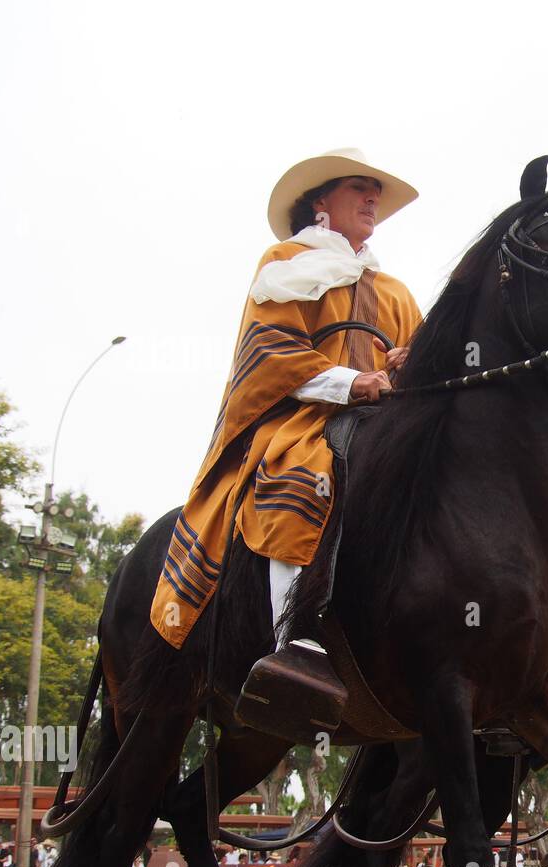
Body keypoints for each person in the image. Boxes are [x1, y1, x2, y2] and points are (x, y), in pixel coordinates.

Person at [149, 148, 424, 664]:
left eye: (376, 193)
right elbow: (269, 350)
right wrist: (353, 383)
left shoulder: (396, 291)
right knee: (304, 474)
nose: (372, 199)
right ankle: (293, 644)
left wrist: (412, 362)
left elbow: (418, 364)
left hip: (383, 424)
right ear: (321, 200)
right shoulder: (285, 263)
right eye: (359, 187)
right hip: (302, 421)